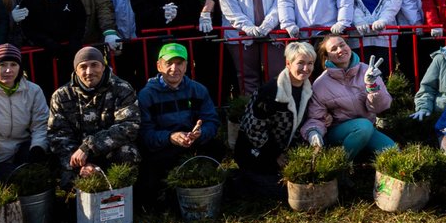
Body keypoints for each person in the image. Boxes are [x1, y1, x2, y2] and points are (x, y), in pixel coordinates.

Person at [232, 41, 317, 200]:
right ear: (288, 63)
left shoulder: (308, 90)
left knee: (305, 183)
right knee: (281, 192)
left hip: (285, 151)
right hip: (256, 152)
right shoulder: (270, 91)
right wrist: (275, 155)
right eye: (300, 63)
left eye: (310, 63)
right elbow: (254, 130)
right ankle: (239, 182)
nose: (306, 68)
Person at [45, 46, 142, 185]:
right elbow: (57, 136)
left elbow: (130, 126)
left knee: (128, 153)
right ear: (76, 70)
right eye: (83, 67)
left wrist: (90, 146)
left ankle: (128, 194)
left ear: (103, 66)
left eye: (94, 65)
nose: (89, 71)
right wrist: (82, 164)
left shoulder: (122, 88)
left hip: (109, 150)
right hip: (77, 156)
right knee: (65, 180)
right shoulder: (61, 96)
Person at [136, 43, 222, 196]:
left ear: (186, 66)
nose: (174, 68)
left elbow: (212, 121)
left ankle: (200, 182)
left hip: (192, 143)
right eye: (169, 63)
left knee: (216, 147)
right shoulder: (146, 95)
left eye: (179, 63)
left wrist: (200, 133)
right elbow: (145, 134)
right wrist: (170, 137)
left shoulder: (198, 90)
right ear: (159, 66)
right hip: (162, 147)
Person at [299, 33, 397, 158]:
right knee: (364, 126)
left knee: (393, 152)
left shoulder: (368, 71)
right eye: (334, 49)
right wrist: (313, 132)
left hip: (367, 128)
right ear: (327, 57)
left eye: (342, 45)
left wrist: (372, 86)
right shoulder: (321, 84)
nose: (340, 50)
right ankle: (340, 163)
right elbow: (316, 117)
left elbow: (381, 107)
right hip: (339, 132)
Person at [0, 43, 51, 179]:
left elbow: (41, 123)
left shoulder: (33, 90)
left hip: (24, 147)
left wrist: (38, 147)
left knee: (37, 176)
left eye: (13, 65)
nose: (8, 70)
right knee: (14, 179)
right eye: (2, 65)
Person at [19, 0, 85, 86]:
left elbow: (80, 19)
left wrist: (75, 40)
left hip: (68, 52)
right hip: (42, 55)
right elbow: (28, 28)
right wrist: (48, 43)